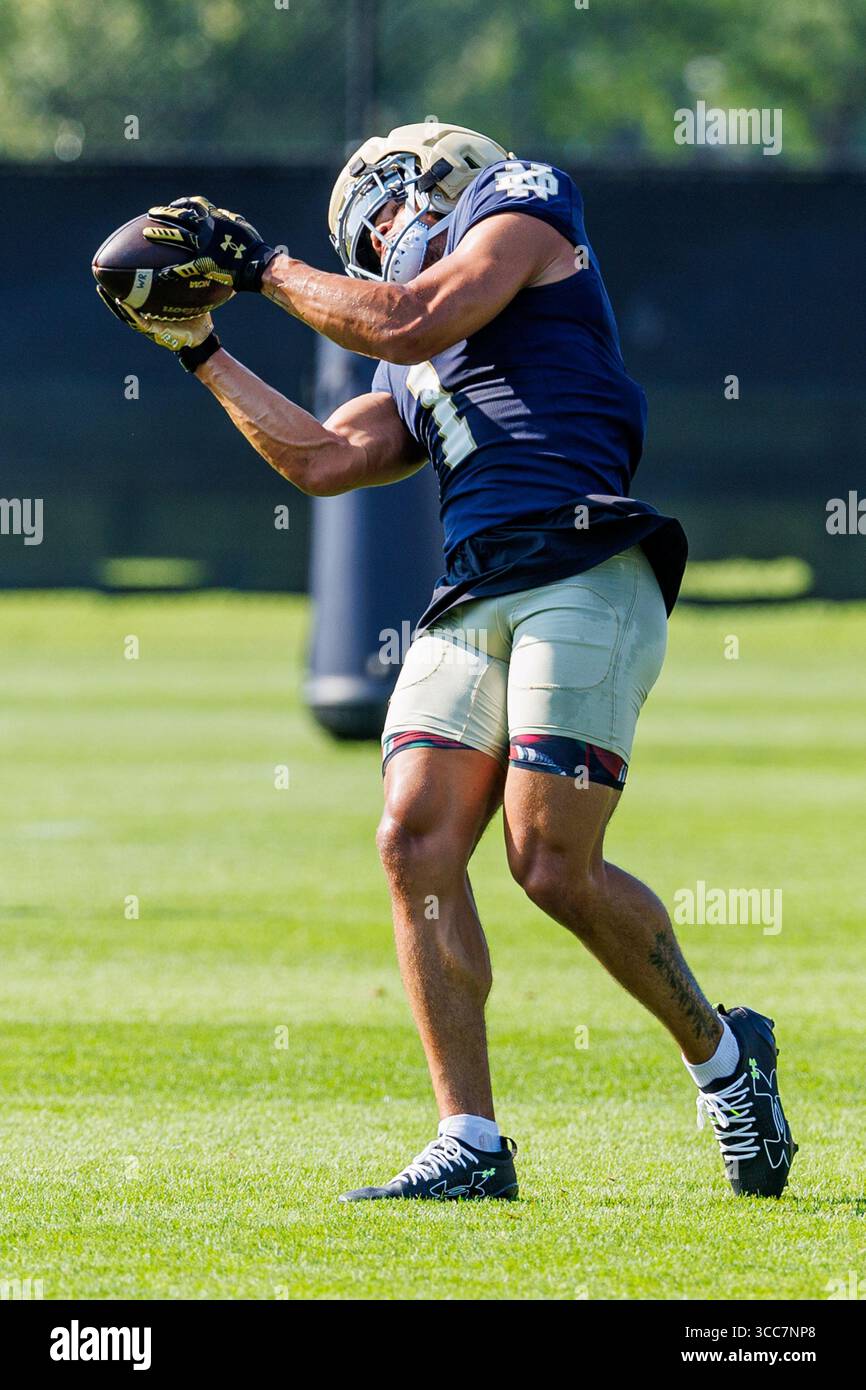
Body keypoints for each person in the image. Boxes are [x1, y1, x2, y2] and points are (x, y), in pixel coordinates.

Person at [97, 122, 795, 1202]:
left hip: (581, 557)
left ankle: (722, 1057)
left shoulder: (520, 205)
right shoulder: (417, 367)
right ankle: (468, 1139)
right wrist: (199, 350)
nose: (379, 239)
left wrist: (267, 266)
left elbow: (411, 316)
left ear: (440, 173)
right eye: (361, 234)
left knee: (548, 860)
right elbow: (325, 459)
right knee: (412, 837)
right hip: (472, 588)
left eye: (381, 209)